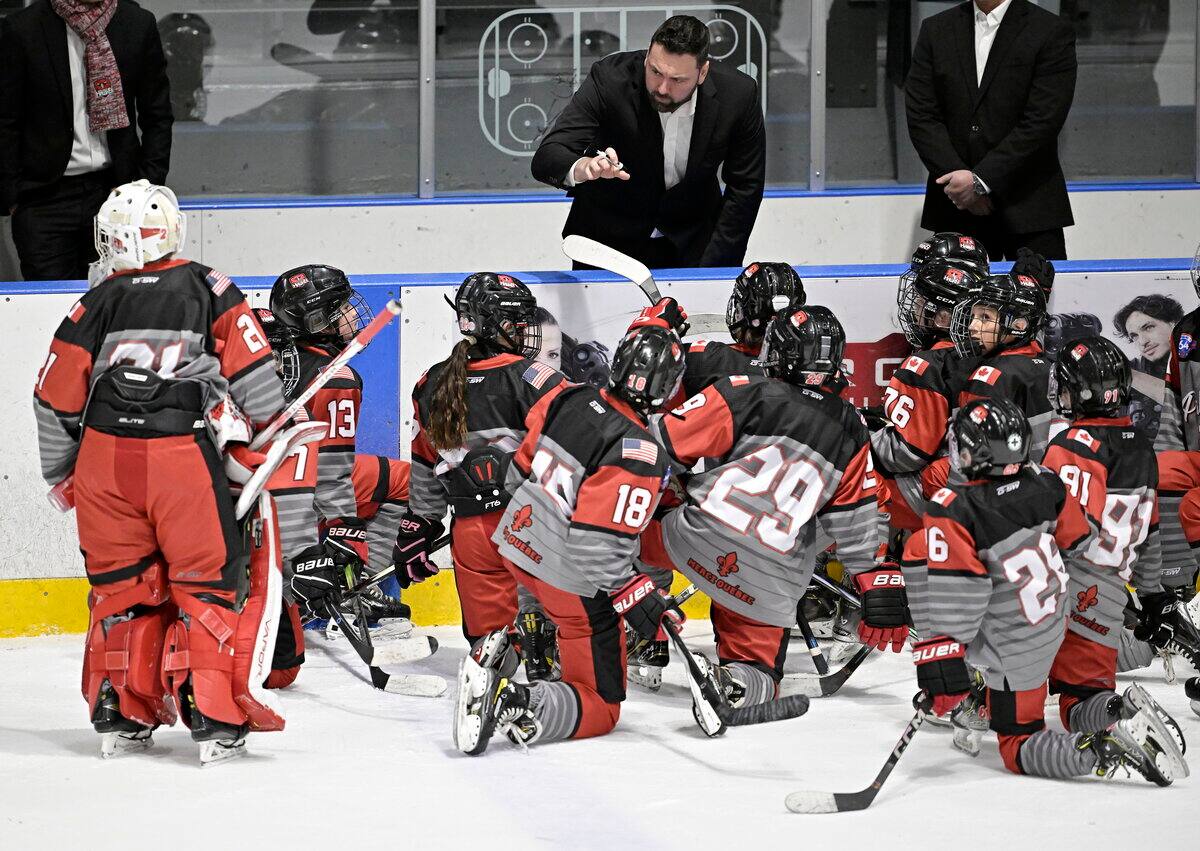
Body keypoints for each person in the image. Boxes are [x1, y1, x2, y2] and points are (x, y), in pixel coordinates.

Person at [32, 180, 287, 763]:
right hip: (180, 455)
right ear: (170, 231)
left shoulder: (92, 303)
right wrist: (259, 432)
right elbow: (258, 382)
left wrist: (64, 472)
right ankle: (209, 709)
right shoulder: (208, 285)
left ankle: (118, 710)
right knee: (206, 581)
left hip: (102, 461)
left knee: (121, 589)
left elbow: (53, 399)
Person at [905, 397, 1188, 785]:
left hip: (1015, 645)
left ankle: (1103, 750)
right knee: (1077, 697)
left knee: (1018, 743)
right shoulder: (1045, 481)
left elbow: (962, 597)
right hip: (1058, 619)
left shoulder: (952, 508)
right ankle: (1116, 709)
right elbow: (1077, 539)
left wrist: (944, 656)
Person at [638, 306, 888, 708]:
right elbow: (859, 530)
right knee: (760, 676)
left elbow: (655, 449)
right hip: (768, 578)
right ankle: (730, 682)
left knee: (622, 528)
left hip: (690, 541)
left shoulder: (742, 389)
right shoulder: (852, 428)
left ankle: (636, 632)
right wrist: (874, 580)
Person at [455, 325, 685, 755]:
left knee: (554, 607)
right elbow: (595, 549)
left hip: (516, 539)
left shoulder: (568, 396)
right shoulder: (642, 451)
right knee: (602, 704)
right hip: (563, 570)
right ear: (668, 389)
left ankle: (513, 646)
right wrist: (639, 595)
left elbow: (516, 471)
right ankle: (513, 700)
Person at [405, 273, 569, 664]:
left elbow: (425, 459)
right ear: (501, 324)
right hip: (532, 524)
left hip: (470, 533)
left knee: (491, 651)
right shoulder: (539, 379)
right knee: (558, 638)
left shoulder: (432, 382)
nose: (527, 331)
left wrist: (421, 522)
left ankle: (494, 694)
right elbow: (571, 455)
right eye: (521, 322)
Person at [1038, 336, 1186, 754]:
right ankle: (1113, 706)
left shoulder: (1066, 448)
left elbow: (1049, 532)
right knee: (1084, 689)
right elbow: (1151, 533)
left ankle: (981, 695)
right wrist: (1154, 594)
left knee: (1045, 694)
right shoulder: (1141, 446)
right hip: (1108, 598)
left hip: (1063, 595)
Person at [531, 14, 765, 269]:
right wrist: (584, 167)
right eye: (655, 71)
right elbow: (549, 156)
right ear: (647, 58)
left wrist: (715, 267)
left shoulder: (738, 95)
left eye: (678, 80)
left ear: (702, 73)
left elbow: (745, 187)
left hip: (693, 247)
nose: (663, 88)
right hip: (605, 245)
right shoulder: (609, 78)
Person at [0, 0, 173, 281]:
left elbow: (158, 114)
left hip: (117, 195)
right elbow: (6, 120)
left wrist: (147, 184)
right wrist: (13, 196)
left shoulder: (136, 23)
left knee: (115, 304)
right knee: (50, 310)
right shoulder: (23, 29)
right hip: (44, 201)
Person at [904, 1, 1077, 260]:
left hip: (1031, 205)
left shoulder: (1050, 30)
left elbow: (1043, 120)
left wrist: (980, 180)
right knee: (956, 300)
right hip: (956, 207)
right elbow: (921, 114)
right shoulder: (936, 28)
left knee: (1038, 299)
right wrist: (960, 181)